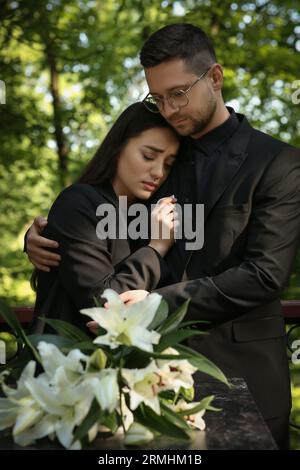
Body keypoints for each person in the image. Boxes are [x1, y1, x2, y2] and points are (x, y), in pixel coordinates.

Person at [25, 24, 300, 448]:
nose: (170, 108)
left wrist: (156, 304)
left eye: (179, 92)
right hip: (147, 384)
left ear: (214, 78)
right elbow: (107, 233)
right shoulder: (161, 152)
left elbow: (265, 275)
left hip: (244, 371)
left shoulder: (278, 163)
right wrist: (46, 235)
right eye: (158, 97)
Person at [30, 102, 180, 333]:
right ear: (118, 148)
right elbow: (103, 304)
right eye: (149, 156)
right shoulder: (78, 203)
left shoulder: (155, 216)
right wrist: (156, 248)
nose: (159, 172)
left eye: (168, 165)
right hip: (72, 363)